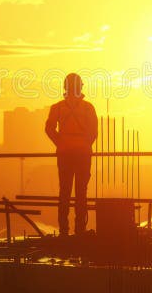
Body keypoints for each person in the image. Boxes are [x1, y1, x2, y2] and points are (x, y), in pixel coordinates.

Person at [45, 73, 98, 236]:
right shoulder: (88, 108)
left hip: (65, 154)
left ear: (65, 87)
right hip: (82, 154)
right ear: (79, 87)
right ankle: (80, 230)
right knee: (81, 192)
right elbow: (94, 131)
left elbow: (49, 129)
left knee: (65, 192)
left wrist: (61, 143)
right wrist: (85, 144)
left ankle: (64, 230)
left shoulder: (57, 107)